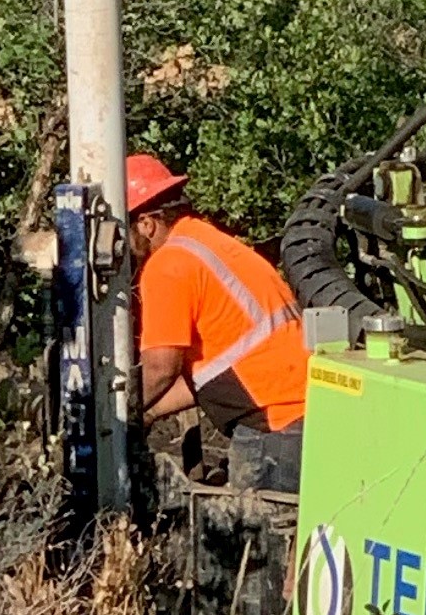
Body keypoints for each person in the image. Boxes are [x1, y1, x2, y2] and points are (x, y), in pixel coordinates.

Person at [125, 152, 309, 484]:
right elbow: (213, 371)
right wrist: (149, 411)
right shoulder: (207, 241)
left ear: (146, 223)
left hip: (271, 426)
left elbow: (160, 369)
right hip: (299, 413)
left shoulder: (168, 265)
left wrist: (112, 416)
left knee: (256, 533)